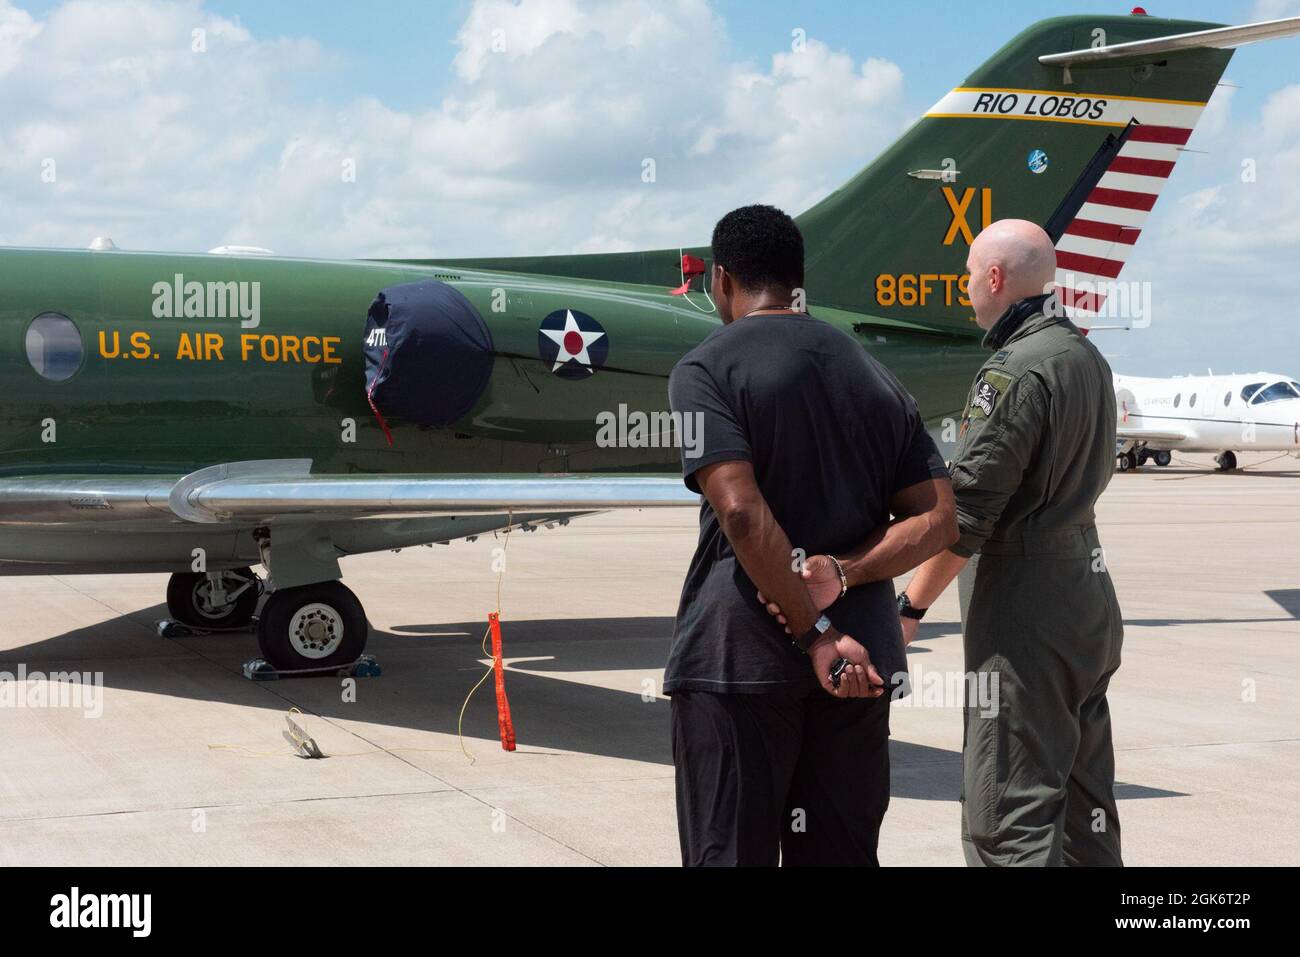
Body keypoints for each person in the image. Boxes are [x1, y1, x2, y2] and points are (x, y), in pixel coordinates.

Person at [665, 204, 957, 867]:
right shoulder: (872, 371)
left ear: (722, 280)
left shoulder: (703, 369)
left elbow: (740, 510)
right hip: (860, 664)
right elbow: (940, 518)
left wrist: (812, 632)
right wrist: (843, 573)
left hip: (741, 660)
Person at [895, 219, 1124, 866]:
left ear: (995, 277)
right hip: (1087, 595)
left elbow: (967, 515)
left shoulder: (1015, 370)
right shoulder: (1085, 356)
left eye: (970, 276)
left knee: (1009, 816)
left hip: (1028, 613)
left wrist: (909, 608)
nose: (967, 290)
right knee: (1087, 813)